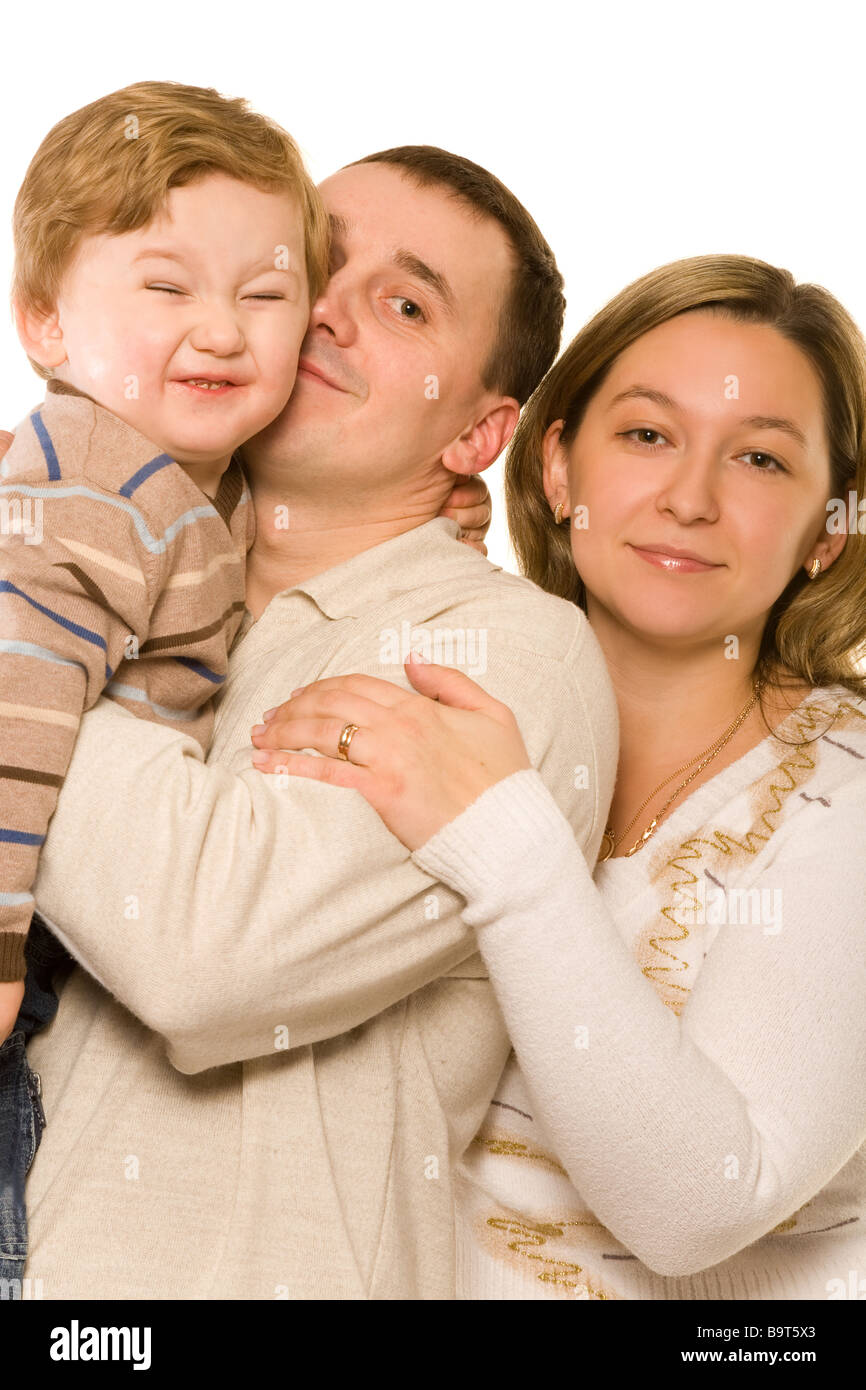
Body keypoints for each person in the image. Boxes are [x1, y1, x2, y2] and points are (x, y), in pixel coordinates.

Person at [2, 144, 618, 1299]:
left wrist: (21, 627)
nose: (324, 310)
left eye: (403, 303)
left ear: (476, 437)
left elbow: (207, 954)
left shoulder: (501, 648)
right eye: (311, 263)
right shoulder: (128, 561)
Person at [250, 254, 866, 1300]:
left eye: (758, 460)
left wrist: (502, 837)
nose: (687, 499)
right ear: (554, 469)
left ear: (826, 530)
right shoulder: (433, 683)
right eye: (644, 434)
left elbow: (701, 1205)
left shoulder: (836, 795)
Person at [0, 78, 329, 1292]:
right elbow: (14, 708)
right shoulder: (88, 480)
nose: (224, 330)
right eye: (165, 286)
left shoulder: (187, 482)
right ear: (45, 322)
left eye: (266, 295)